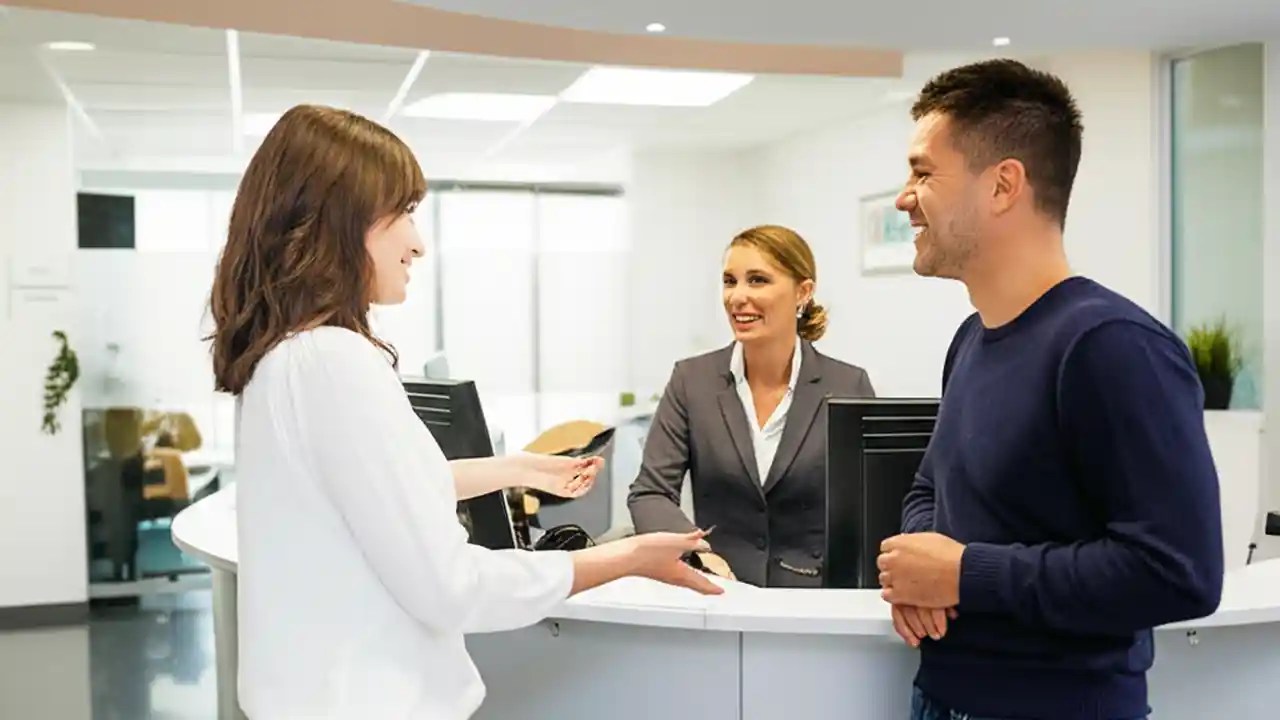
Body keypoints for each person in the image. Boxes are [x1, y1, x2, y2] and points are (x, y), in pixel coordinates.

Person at [209, 104, 721, 720]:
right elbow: (450, 588)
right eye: (402, 213)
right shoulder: (334, 362)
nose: (417, 243)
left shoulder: (285, 356)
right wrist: (625, 558)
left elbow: (376, 489)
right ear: (337, 223)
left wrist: (520, 468)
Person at [874, 60, 1224, 720]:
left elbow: (1179, 572)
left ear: (1004, 185)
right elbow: (931, 488)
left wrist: (962, 573)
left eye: (923, 173)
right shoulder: (972, 340)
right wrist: (923, 567)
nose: (903, 197)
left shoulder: (1113, 346)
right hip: (942, 699)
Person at [628, 225, 875, 587]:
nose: (737, 297)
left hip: (815, 604)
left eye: (757, 280)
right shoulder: (691, 381)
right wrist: (699, 553)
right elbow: (650, 492)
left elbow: (868, 513)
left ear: (803, 292)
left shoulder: (848, 385)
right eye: (730, 281)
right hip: (717, 592)